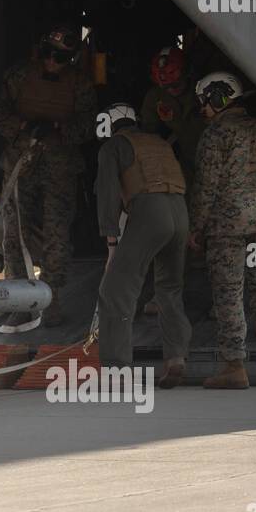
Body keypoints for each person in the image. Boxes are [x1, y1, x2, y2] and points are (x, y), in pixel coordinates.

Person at [0, 26, 96, 326]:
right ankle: (18, 298)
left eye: (59, 57)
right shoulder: (20, 76)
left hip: (60, 165)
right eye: (48, 54)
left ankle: (51, 299)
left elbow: (90, 124)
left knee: (57, 234)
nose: (51, 62)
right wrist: (21, 128)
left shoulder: (80, 84)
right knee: (13, 233)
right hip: (21, 159)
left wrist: (60, 130)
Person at [189, 72, 256, 389]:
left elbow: (207, 186)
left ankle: (233, 365)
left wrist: (197, 227)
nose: (202, 110)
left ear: (218, 99)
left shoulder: (216, 134)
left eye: (204, 103)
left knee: (228, 291)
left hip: (228, 224)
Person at [93, 103, 192, 388]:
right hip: (179, 212)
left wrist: (111, 242)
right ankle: (176, 359)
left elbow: (108, 193)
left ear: (110, 125)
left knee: (115, 291)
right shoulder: (160, 143)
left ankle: (115, 368)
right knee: (169, 290)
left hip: (151, 213)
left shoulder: (113, 147)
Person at [140, 45, 205, 182]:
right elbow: (148, 133)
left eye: (176, 85)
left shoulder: (204, 94)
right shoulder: (155, 97)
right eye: (166, 87)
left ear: (187, 73)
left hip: (208, 157)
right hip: (178, 163)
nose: (171, 90)